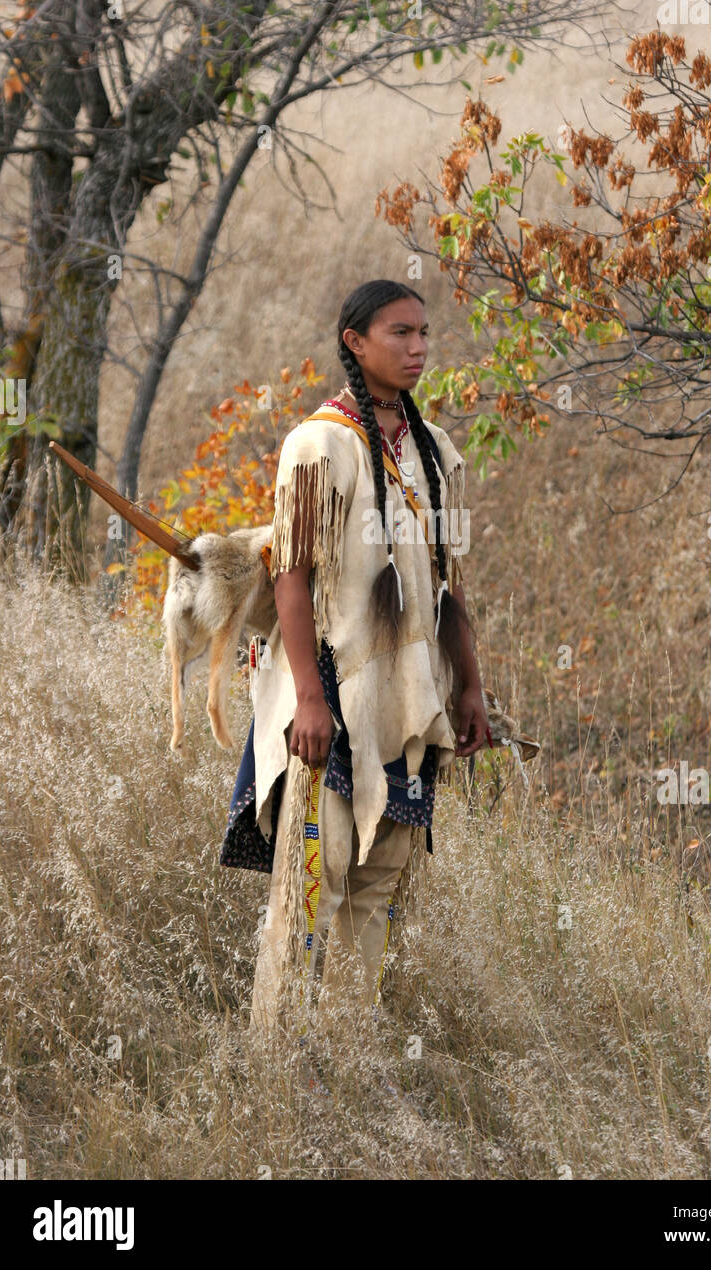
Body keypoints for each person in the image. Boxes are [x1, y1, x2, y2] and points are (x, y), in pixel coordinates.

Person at [225, 279, 489, 1033]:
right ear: (355, 341)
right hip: (332, 700)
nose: (418, 349)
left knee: (375, 894)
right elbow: (291, 578)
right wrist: (309, 699)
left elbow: (450, 589)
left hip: (409, 705)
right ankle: (278, 1070)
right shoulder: (316, 444)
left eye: (424, 334)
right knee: (311, 891)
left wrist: (469, 690)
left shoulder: (436, 453)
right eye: (400, 333)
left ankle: (347, 1062)